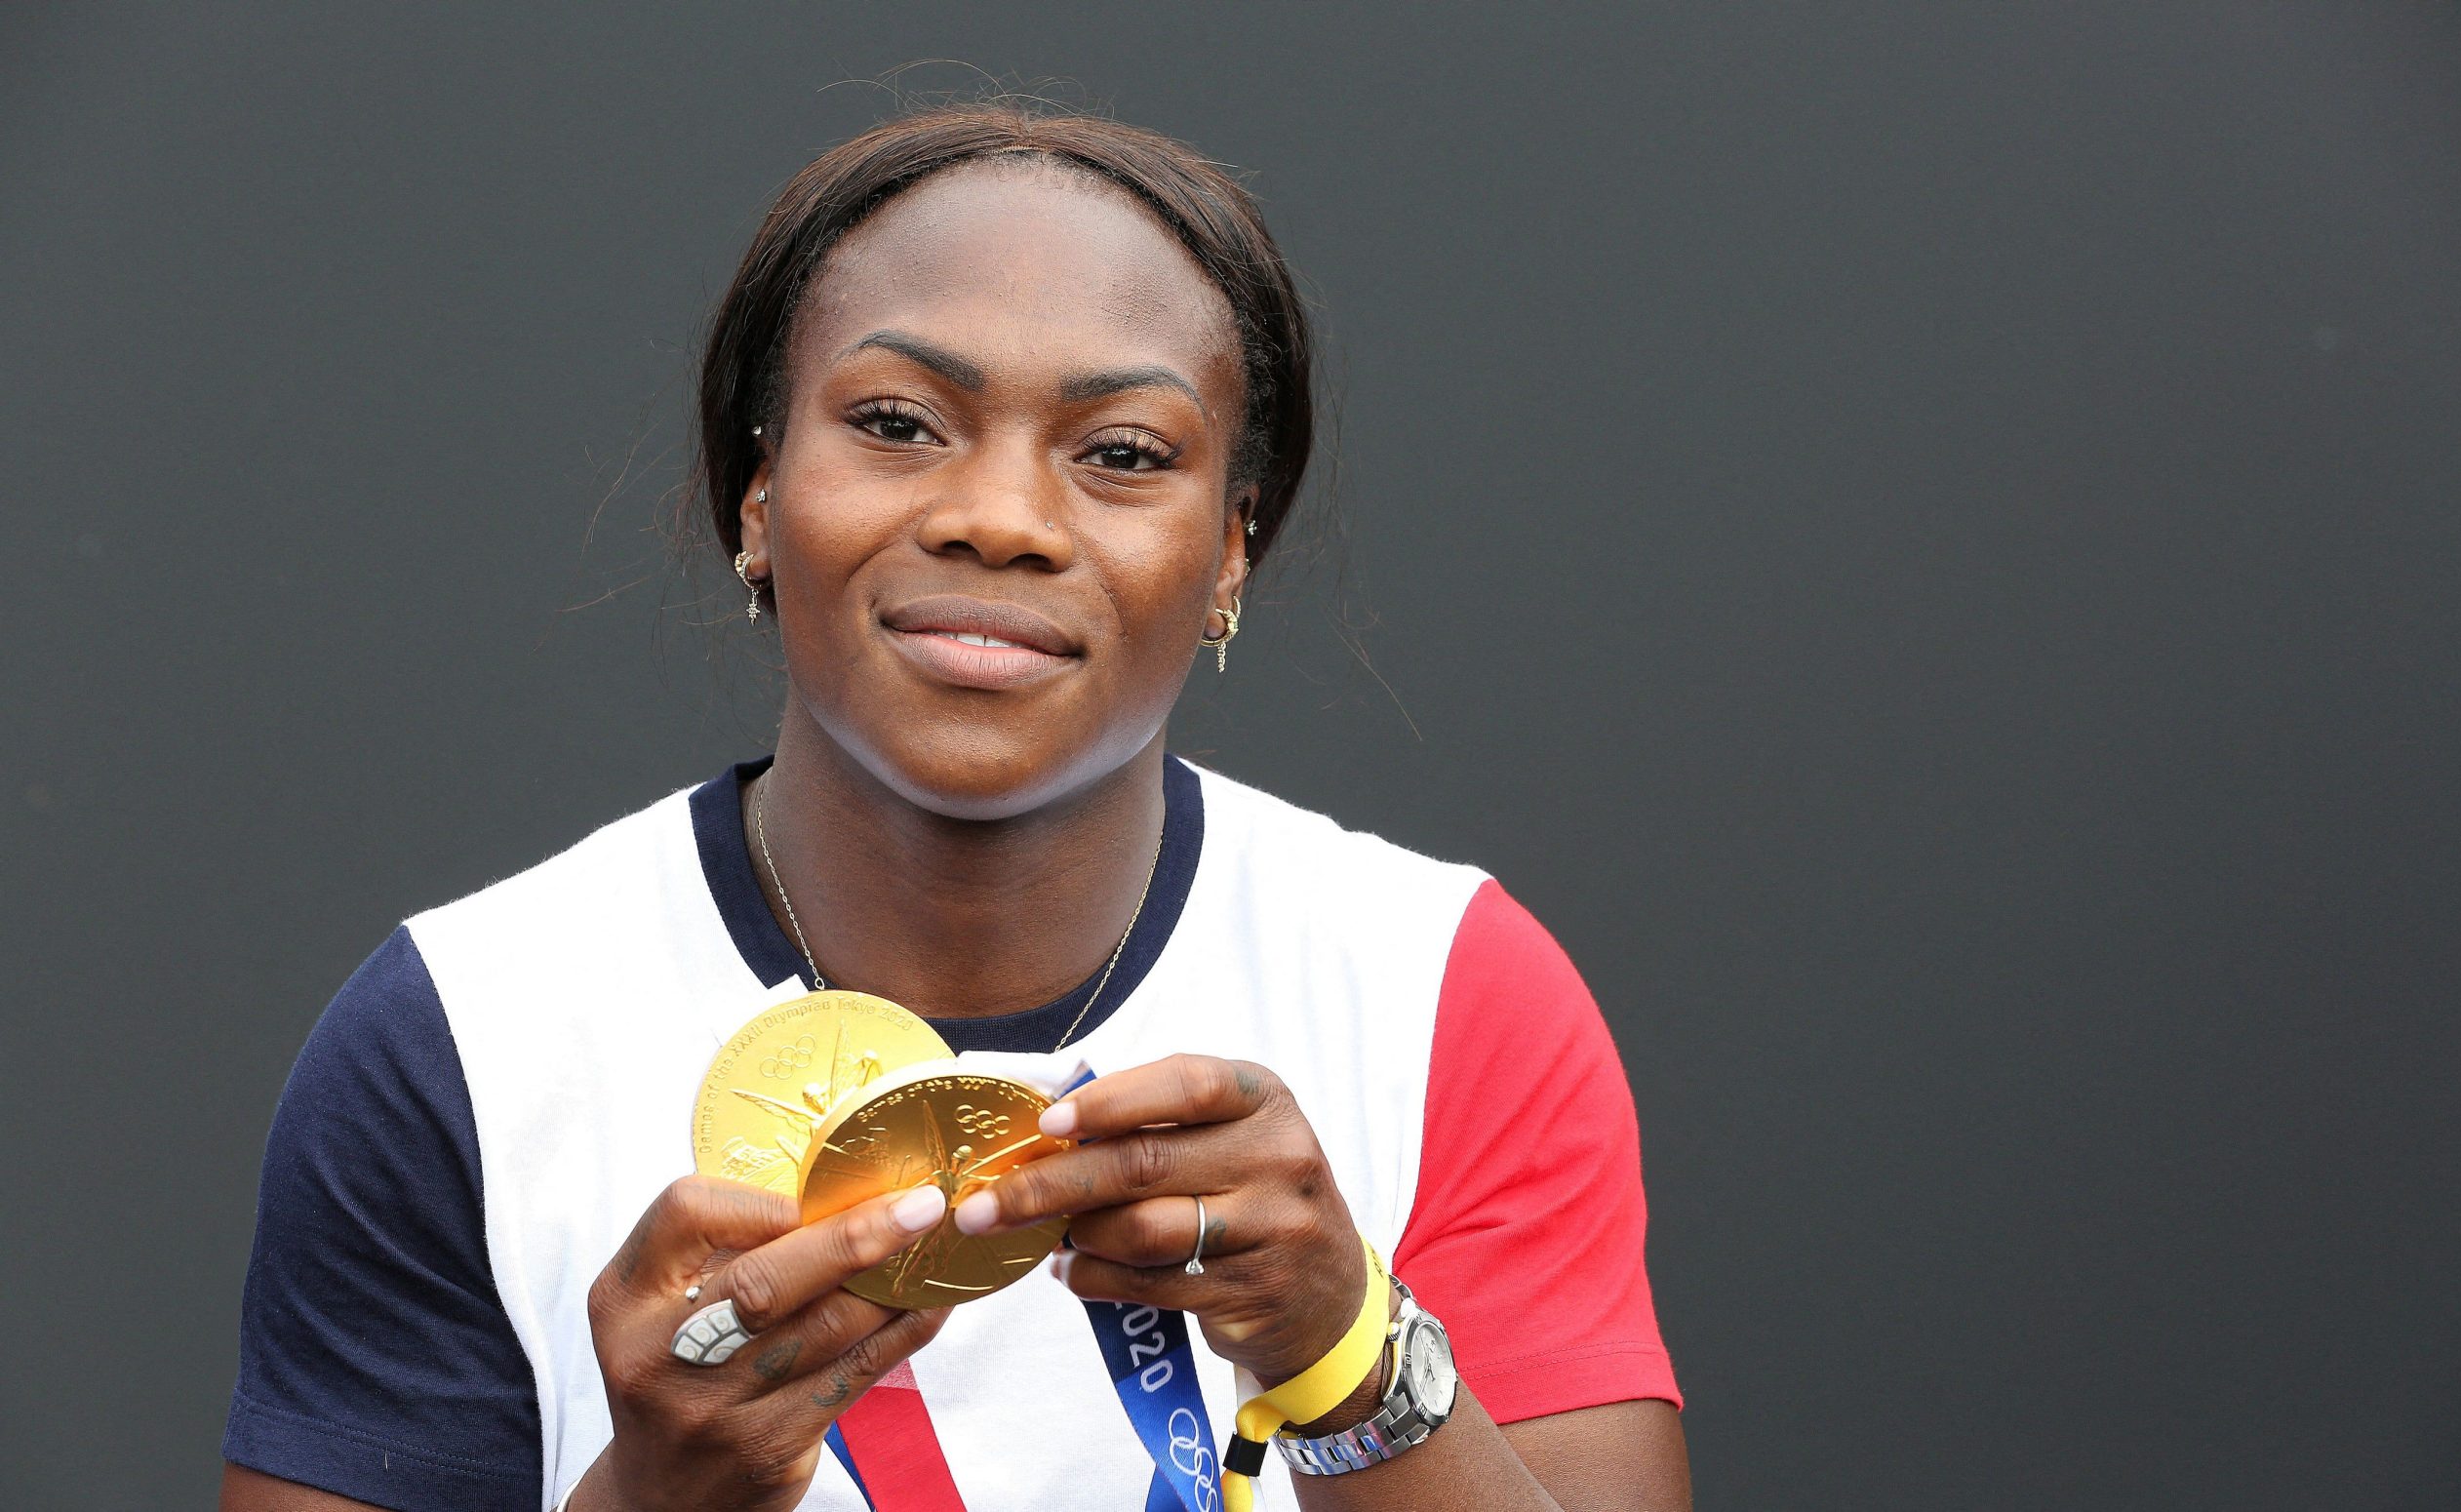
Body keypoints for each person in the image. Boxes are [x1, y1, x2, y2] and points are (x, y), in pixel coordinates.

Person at [219, 101, 1691, 1512]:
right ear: (758, 495)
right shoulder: (461, 1041)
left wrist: (1346, 1350)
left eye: (1123, 453)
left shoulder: (1446, 994)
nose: (999, 516)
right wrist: (650, 1499)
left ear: (1232, 550)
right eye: (898, 422)